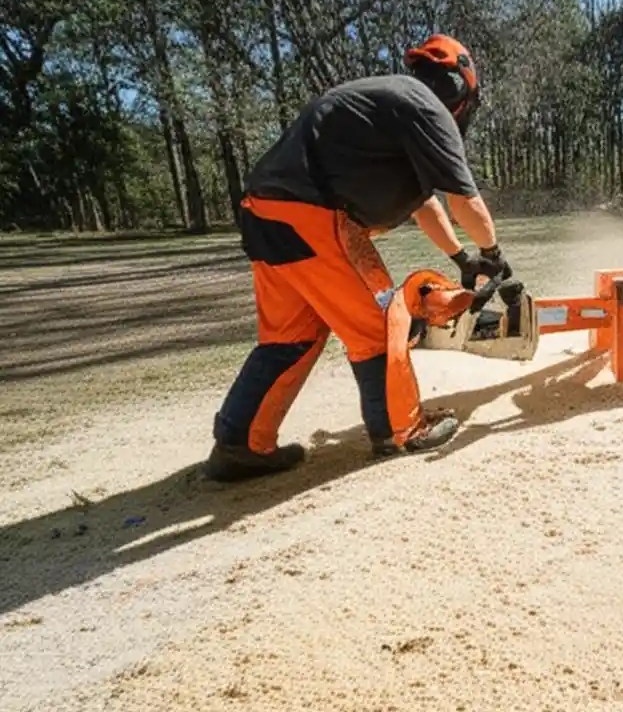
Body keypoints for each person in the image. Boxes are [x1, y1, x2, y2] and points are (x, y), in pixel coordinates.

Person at [205, 33, 510, 483]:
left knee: (290, 338)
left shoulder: (388, 103)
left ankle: (240, 442)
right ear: (463, 93)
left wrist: (461, 258)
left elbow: (424, 205)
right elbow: (465, 201)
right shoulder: (428, 109)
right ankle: (399, 430)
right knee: (379, 324)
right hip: (316, 215)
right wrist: (493, 254)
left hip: (265, 213)